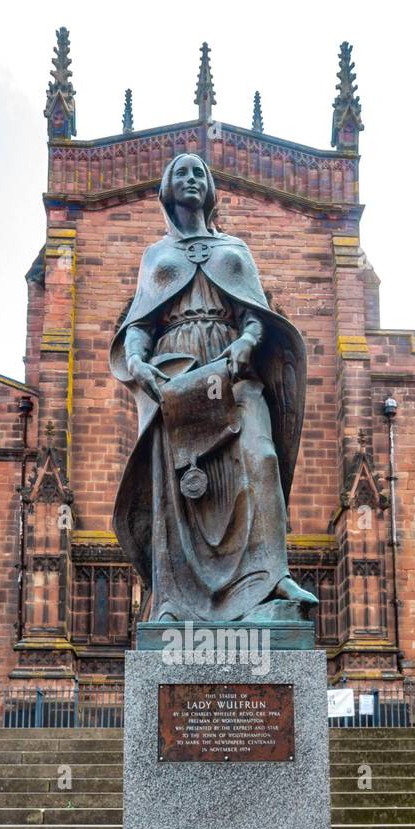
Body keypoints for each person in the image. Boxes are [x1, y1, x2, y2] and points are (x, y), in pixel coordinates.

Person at [110, 152, 317, 623]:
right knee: (176, 489)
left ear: (210, 188)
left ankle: (272, 578)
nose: (190, 178)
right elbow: (140, 322)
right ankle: (171, 600)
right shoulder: (155, 256)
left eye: (198, 172)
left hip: (233, 367)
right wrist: (138, 363)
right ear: (167, 188)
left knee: (261, 457)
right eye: (180, 172)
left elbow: (255, 314)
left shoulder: (234, 249)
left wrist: (247, 341)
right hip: (177, 373)